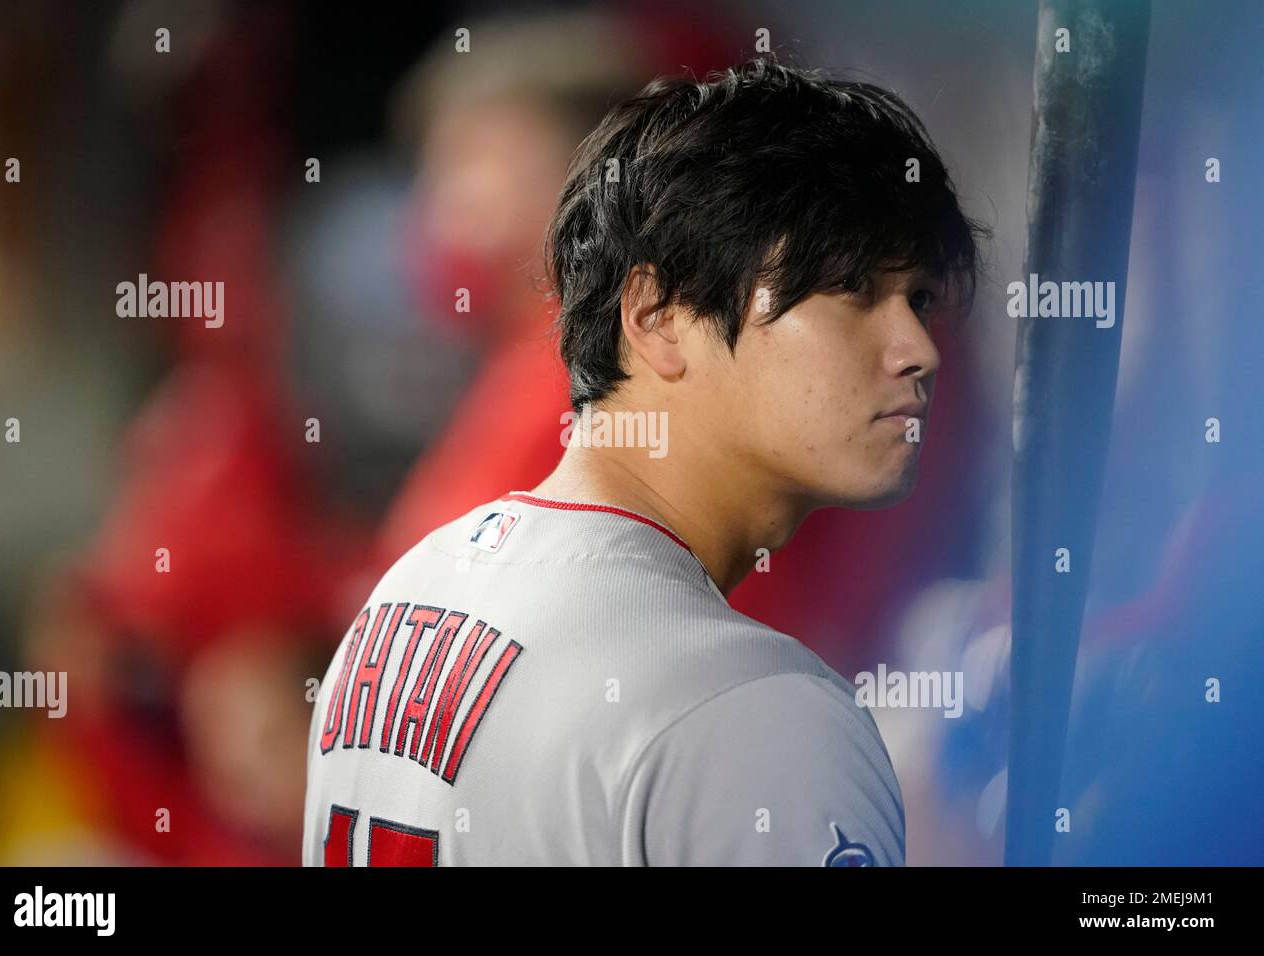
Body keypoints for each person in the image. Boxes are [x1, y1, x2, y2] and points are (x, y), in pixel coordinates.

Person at [303, 56, 985, 866]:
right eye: (851, 293)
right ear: (657, 316)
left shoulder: (408, 592)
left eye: (920, 300)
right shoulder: (755, 710)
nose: (916, 350)